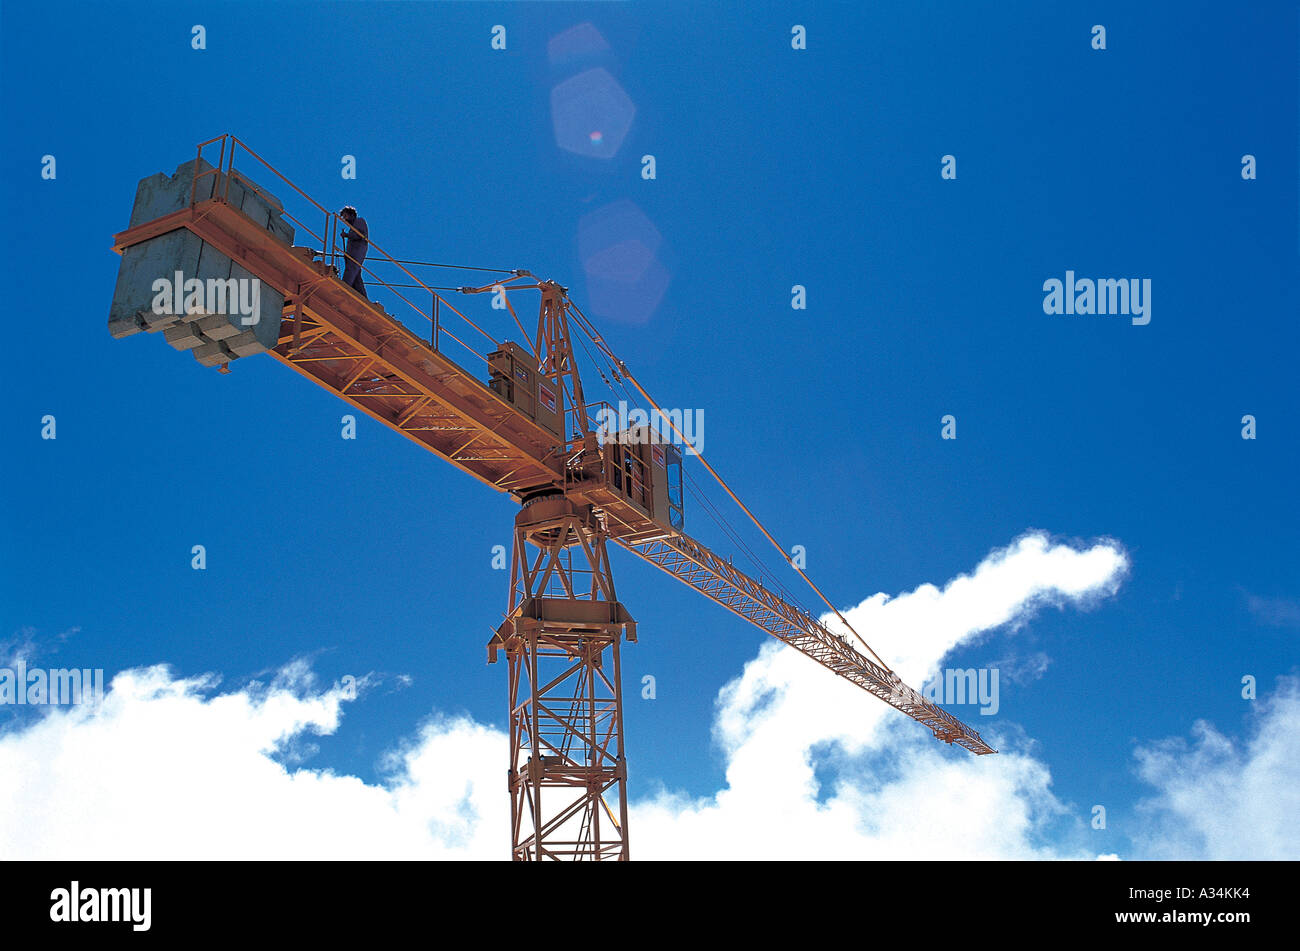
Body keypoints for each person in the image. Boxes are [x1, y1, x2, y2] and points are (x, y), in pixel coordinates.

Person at [338, 206, 369, 299]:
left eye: (345, 216)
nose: (345, 219)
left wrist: (347, 235)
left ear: (352, 215)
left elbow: (360, 235)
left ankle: (344, 288)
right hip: (353, 253)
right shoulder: (353, 227)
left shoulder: (359, 221)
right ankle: (362, 297)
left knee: (351, 270)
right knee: (356, 275)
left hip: (357, 252)